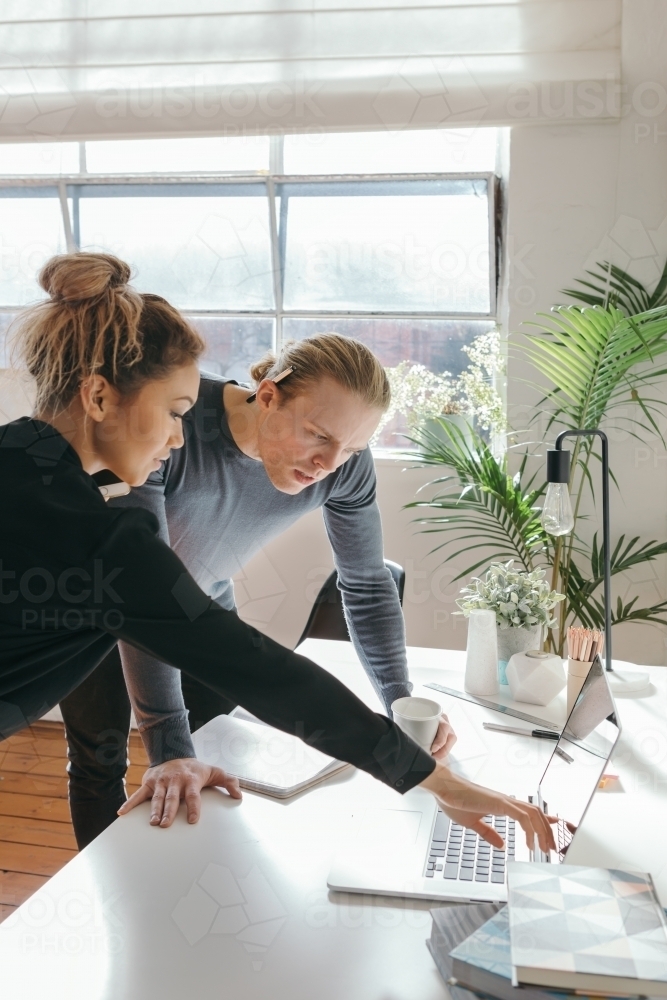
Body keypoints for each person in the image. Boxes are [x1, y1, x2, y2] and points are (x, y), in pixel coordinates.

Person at [0, 251, 555, 860]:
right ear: (100, 397)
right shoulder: (100, 537)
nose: (182, 437)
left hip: (158, 620)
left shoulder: (28, 471)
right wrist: (430, 777)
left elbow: (255, 645)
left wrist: (403, 720)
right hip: (146, 631)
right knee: (102, 756)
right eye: (175, 413)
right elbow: (257, 669)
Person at [60, 331, 457, 847]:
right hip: (93, 610)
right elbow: (143, 589)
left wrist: (402, 706)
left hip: (200, 608)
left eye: (352, 447)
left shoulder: (343, 467)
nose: (328, 465)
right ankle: (104, 897)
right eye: (317, 435)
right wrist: (168, 746)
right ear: (268, 395)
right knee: (101, 760)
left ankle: (204, 883)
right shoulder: (173, 420)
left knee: (220, 751)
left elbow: (365, 583)